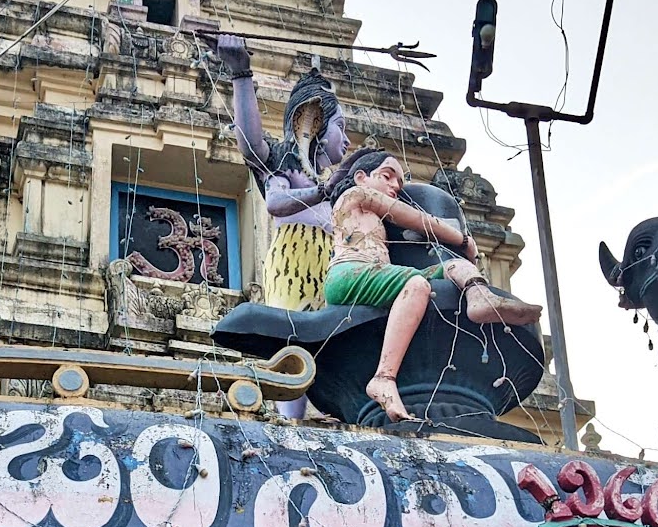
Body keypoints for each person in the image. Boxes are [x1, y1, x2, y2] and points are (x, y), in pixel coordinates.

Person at [323, 148, 541, 423]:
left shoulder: (373, 214)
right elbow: (415, 218)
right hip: (350, 273)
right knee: (416, 284)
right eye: (387, 176)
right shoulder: (355, 195)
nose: (395, 186)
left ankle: (479, 298)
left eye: (399, 182)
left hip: (377, 274)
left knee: (454, 266)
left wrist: (462, 256)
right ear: (361, 177)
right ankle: (384, 377)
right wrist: (462, 240)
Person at [219, 34, 349, 316]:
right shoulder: (284, 162)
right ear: (314, 121)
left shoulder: (338, 183)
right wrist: (241, 74)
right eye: (341, 126)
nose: (348, 140)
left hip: (332, 272)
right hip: (294, 267)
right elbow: (253, 150)